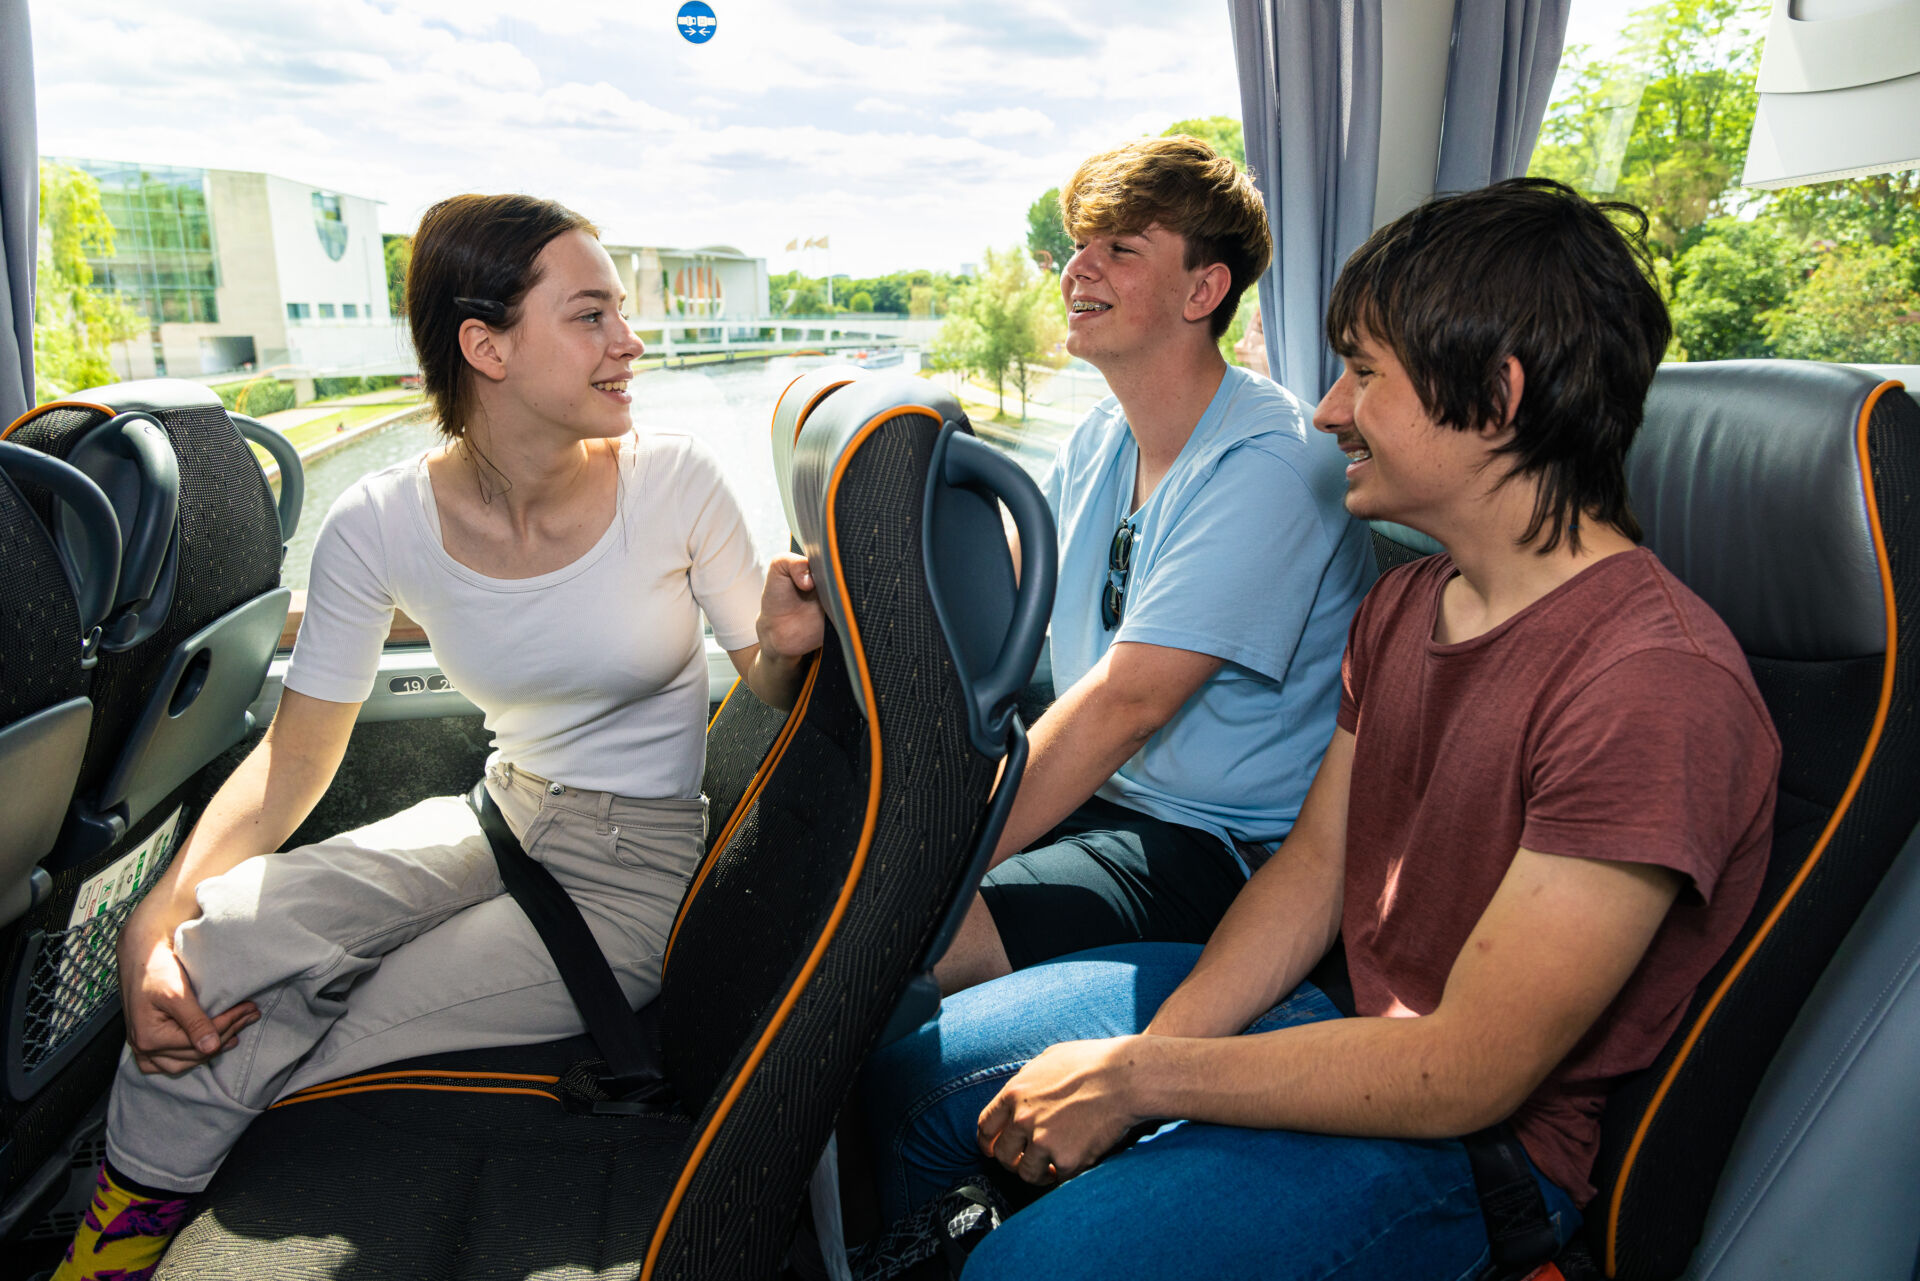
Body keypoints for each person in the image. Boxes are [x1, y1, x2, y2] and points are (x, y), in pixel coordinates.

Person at [861, 179, 1780, 1280]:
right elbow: (1316, 866)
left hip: (1472, 1145)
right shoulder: (1408, 603)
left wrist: (1141, 1082)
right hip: (1334, 1016)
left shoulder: (1652, 682)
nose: (1331, 409)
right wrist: (1149, 1058)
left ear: (1495, 395)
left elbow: (1468, 1071)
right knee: (912, 1089)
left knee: (1037, 1270)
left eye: (1364, 374)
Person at [54, 194, 825, 1281]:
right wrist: (157, 917)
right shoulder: (379, 521)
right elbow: (294, 756)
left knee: (322, 1043)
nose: (631, 341)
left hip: (630, 873)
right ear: (486, 346)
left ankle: (175, 1210)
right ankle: (106, 1252)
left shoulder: (677, 482)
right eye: (593, 314)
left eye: (622, 314)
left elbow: (771, 694)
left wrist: (788, 644)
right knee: (210, 953)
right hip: (496, 816)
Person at [934, 136, 1373, 993]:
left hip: (1219, 844)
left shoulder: (1273, 463)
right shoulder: (1105, 433)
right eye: (1078, 247)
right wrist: (839, 598)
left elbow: (1127, 703)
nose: (1077, 270)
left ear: (1204, 290)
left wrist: (931, 862)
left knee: (914, 940)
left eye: (1120, 249)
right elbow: (1004, 583)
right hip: (1116, 799)